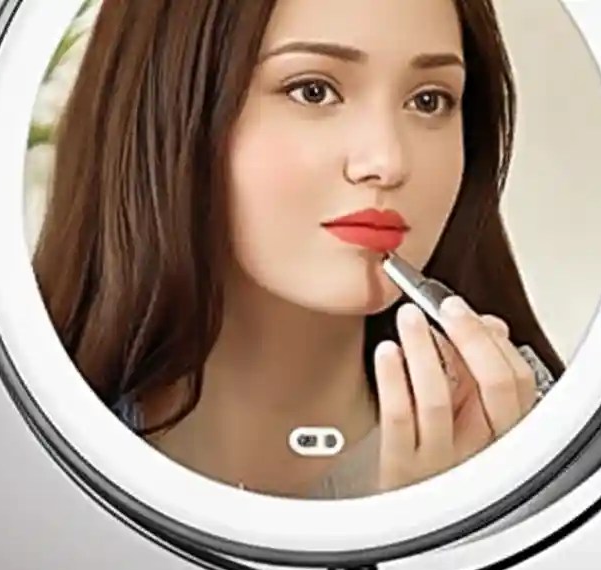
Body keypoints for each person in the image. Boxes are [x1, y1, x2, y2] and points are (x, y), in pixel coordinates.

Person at [31, 0, 564, 499]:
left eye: (429, 100)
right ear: (165, 109)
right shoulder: (22, 471)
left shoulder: (529, 439)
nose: (387, 160)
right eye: (313, 90)